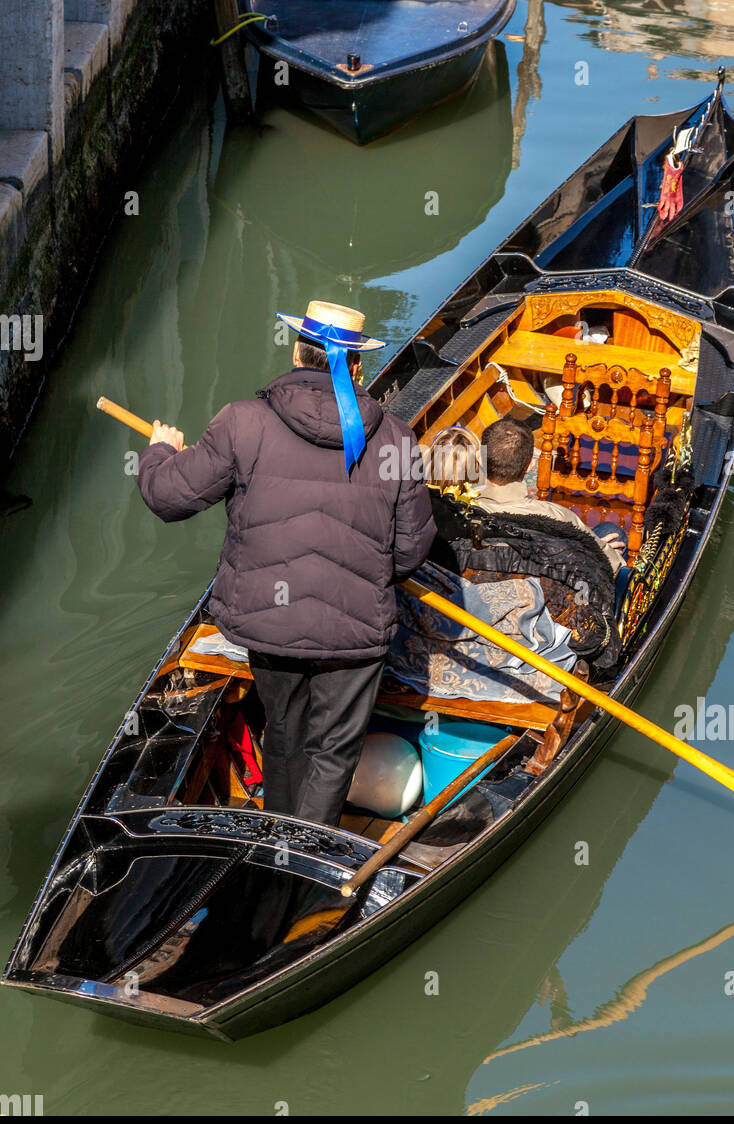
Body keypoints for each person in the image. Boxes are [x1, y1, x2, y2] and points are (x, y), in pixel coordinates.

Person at [136, 300, 436, 827]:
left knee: (284, 730)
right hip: (355, 631)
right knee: (332, 751)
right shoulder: (396, 440)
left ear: (297, 351)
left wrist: (159, 451)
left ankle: (275, 843)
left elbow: (168, 497)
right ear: (358, 366)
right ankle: (306, 861)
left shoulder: (241, 422)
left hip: (268, 622)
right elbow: (410, 551)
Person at [472, 417, 626, 572]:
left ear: (479, 458)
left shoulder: (460, 510)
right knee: (612, 532)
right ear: (530, 466)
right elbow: (616, 566)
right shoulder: (557, 517)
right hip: (544, 586)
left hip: (483, 580)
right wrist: (599, 551)